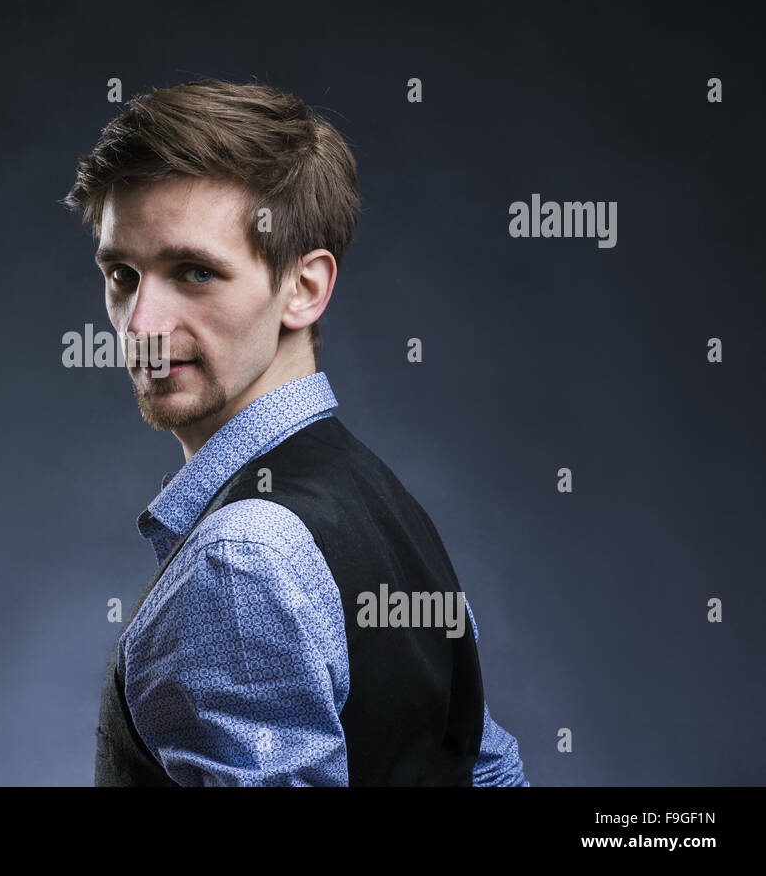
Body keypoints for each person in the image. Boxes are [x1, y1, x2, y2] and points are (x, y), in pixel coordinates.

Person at [61, 78, 528, 786]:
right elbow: (489, 771)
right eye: (122, 273)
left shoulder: (240, 558)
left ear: (304, 288)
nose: (142, 326)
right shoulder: (380, 499)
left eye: (193, 272)